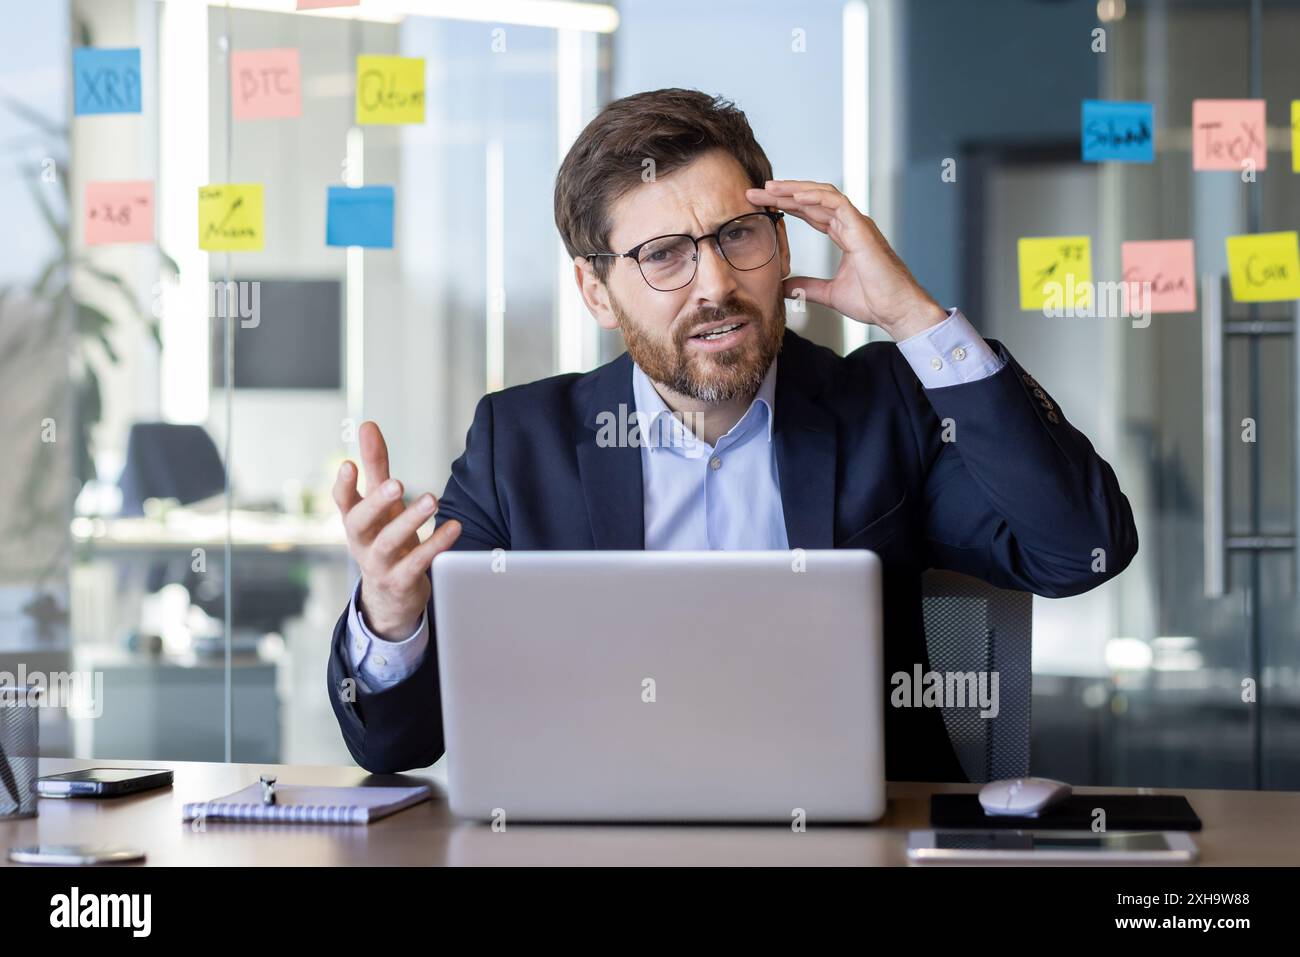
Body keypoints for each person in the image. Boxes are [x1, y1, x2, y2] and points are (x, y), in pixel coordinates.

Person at [327, 88, 1138, 780]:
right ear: (597, 290)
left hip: (859, 845)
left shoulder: (882, 403)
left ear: (782, 240)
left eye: (737, 236)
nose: (714, 284)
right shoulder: (521, 442)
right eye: (663, 255)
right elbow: (399, 741)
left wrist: (917, 322)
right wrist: (393, 614)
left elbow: (1081, 548)